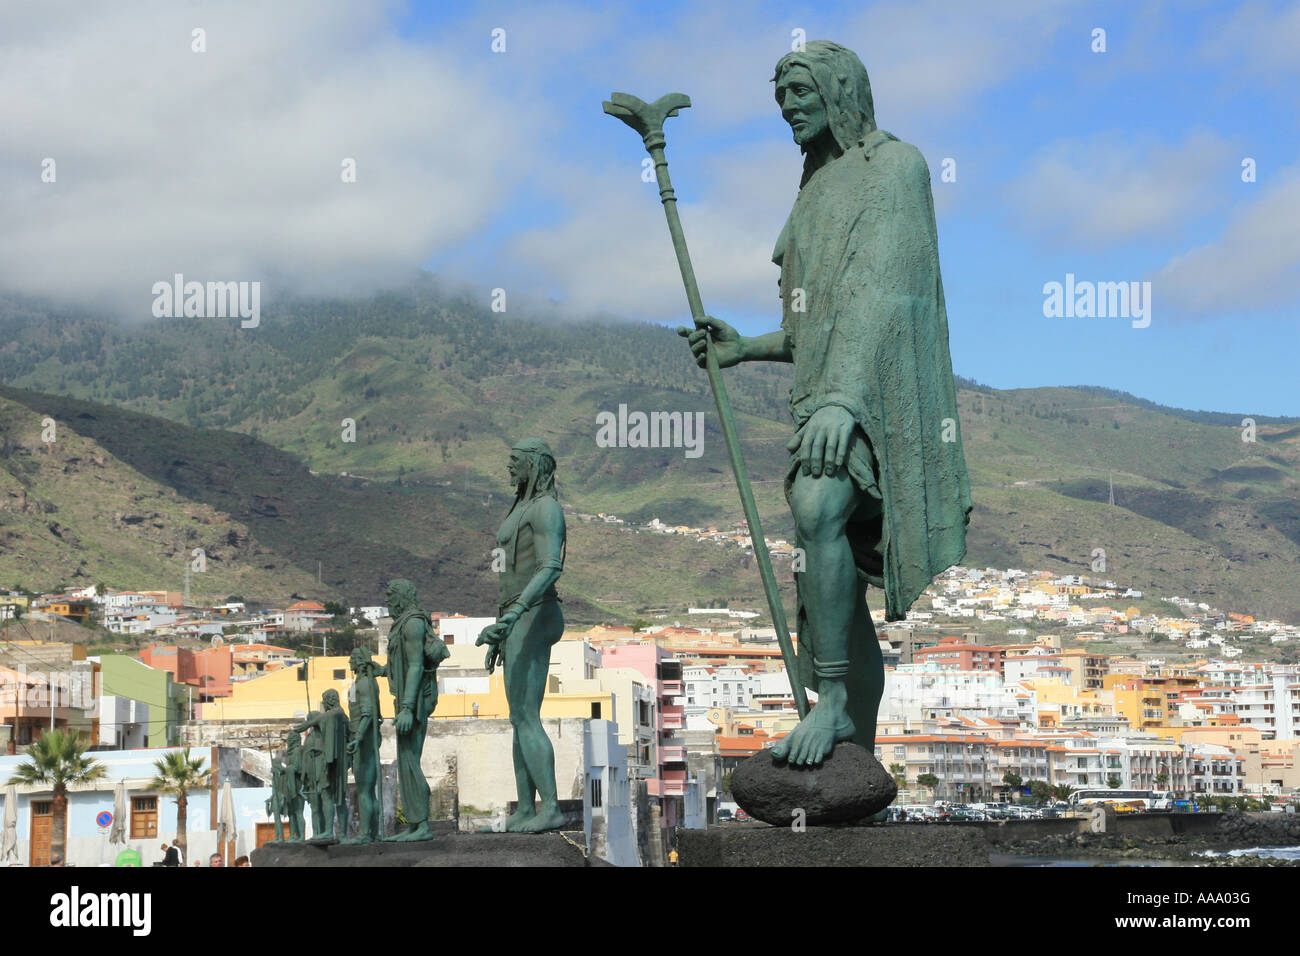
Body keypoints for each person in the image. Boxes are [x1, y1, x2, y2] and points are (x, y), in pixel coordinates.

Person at [681, 41, 971, 766]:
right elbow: (818, 325)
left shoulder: (895, 168)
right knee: (826, 579)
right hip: (823, 399)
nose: (789, 109)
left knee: (817, 508)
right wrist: (745, 347)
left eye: (801, 95)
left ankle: (834, 702)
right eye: (781, 100)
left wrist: (844, 401)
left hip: (877, 402)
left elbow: (887, 297)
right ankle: (858, 752)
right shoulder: (814, 189)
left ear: (841, 89)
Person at [477, 439, 567, 832]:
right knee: (519, 718)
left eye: (515, 462)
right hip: (518, 615)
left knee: (527, 717)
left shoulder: (546, 508)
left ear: (534, 464)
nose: (508, 468)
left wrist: (514, 613)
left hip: (535, 611)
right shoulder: (523, 506)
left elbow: (549, 566)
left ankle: (551, 807)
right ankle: (527, 808)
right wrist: (502, 629)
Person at [380, 579, 449, 841]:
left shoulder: (412, 623)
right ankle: (414, 824)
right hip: (405, 701)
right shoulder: (404, 624)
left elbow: (416, 666)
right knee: (407, 761)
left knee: (410, 761)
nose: (388, 603)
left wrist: (407, 708)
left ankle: (421, 825)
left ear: (401, 597)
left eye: (390, 598)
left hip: (415, 703)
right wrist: (382, 671)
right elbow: (402, 664)